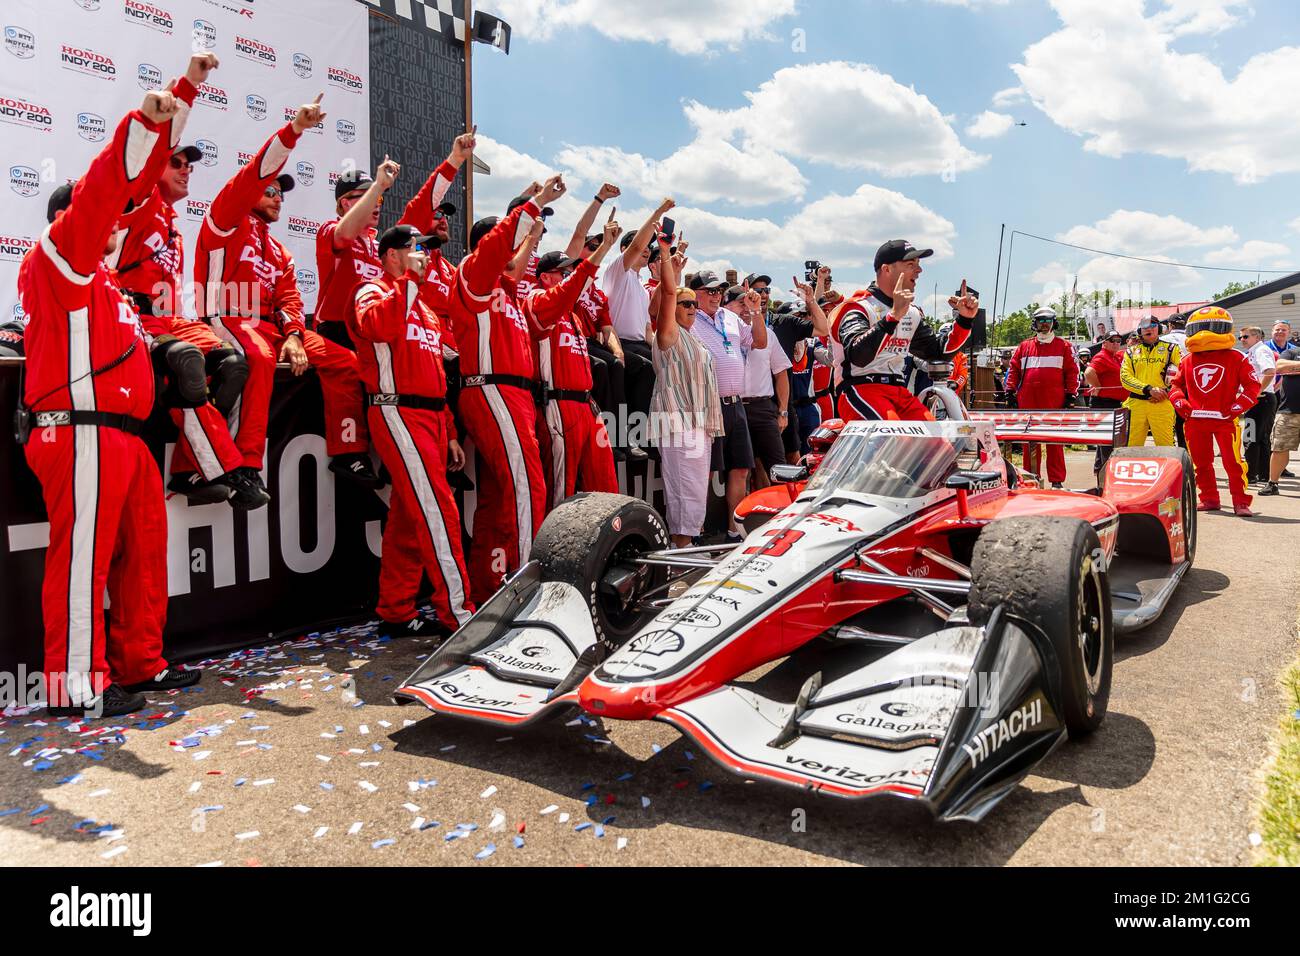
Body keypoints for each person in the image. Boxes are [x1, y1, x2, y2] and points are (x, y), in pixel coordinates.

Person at [18, 54, 218, 718]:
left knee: (144, 556)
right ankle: (75, 684)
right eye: (97, 214)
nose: (112, 220)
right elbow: (111, 189)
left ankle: (142, 664)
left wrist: (184, 97)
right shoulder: (59, 259)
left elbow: (128, 195)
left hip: (124, 438)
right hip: (81, 433)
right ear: (68, 218)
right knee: (83, 564)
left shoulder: (106, 281)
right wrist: (147, 117)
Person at [195, 94, 378, 494]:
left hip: (273, 328)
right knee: (258, 357)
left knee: (344, 361)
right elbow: (251, 179)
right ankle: (244, 465)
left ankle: (348, 450)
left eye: (283, 194)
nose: (279, 198)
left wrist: (295, 334)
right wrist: (293, 131)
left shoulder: (278, 250)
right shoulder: (225, 221)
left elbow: (291, 300)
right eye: (272, 191)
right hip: (226, 317)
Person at [111, 141, 267, 509]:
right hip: (131, 312)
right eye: (176, 163)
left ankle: (188, 471)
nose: (186, 170)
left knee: (233, 363)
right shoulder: (139, 202)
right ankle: (224, 469)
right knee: (187, 360)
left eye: (189, 165)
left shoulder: (174, 226)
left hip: (168, 315)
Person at [348, 224, 475, 639]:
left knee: (407, 518)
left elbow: (439, 372)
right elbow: (377, 328)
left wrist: (451, 430)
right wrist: (409, 282)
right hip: (395, 409)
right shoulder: (372, 289)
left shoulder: (421, 306)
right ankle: (459, 614)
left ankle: (397, 609)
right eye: (414, 248)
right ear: (390, 256)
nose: (423, 254)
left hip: (433, 417)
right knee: (439, 509)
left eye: (425, 248)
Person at [453, 175, 568, 601]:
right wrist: (533, 205)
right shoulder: (475, 272)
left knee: (501, 495)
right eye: (512, 242)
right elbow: (505, 246)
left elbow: (518, 262)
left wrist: (535, 221)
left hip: (512, 394)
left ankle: (490, 585)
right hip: (492, 390)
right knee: (528, 487)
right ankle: (526, 587)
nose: (519, 251)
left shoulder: (509, 291)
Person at [526, 220, 623, 508]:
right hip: (557, 403)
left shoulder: (575, 315)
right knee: (561, 487)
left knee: (605, 483)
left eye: (571, 271)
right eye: (563, 272)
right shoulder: (537, 302)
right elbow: (576, 283)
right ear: (544, 277)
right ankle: (553, 551)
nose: (569, 276)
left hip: (586, 404)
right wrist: (604, 247)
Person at [832, 240, 976, 421]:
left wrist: (964, 319)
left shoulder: (912, 312)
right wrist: (892, 317)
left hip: (900, 391)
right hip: (861, 389)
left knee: (938, 445)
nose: (919, 270)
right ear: (886, 269)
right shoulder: (857, 307)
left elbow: (938, 353)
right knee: (896, 437)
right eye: (910, 265)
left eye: (918, 265)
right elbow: (858, 356)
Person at [648, 252, 724, 547]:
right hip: (678, 420)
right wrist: (667, 261)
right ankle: (681, 548)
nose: (692, 307)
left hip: (700, 423)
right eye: (686, 303)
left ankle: (686, 543)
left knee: (694, 488)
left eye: (695, 303)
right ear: (672, 309)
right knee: (683, 486)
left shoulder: (696, 338)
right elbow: (667, 293)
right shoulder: (668, 334)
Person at [689, 268, 768, 540]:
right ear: (696, 294)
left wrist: (755, 311)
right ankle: (697, 532)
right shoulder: (688, 319)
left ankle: (735, 533)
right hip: (707, 404)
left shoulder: (731, 317)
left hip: (736, 404)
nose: (716, 295)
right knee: (705, 470)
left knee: (741, 468)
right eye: (710, 290)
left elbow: (759, 341)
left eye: (719, 290)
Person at [1169, 306, 1259, 516]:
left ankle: (1240, 501)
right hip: (1195, 421)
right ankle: (1209, 498)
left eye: (1211, 327)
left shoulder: (1237, 357)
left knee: (1233, 463)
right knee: (1201, 463)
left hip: (1225, 421)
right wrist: (1181, 403)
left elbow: (1253, 387)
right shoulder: (1186, 360)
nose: (1204, 333)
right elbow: (1175, 386)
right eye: (1199, 328)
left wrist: (1237, 408)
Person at [1004, 307, 1079, 488]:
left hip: (1054, 400)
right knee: (1029, 441)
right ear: (1034, 323)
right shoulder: (1024, 346)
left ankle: (1057, 480)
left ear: (1054, 323)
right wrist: (1010, 391)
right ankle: (1031, 478)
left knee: (1054, 440)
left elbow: (1073, 372)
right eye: (1040, 321)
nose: (1044, 325)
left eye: (1048, 321)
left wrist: (1071, 395)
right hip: (1028, 400)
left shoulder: (1065, 346)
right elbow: (1013, 369)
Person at [731, 284, 791, 489]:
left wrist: (783, 411)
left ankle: (782, 516)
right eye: (741, 304)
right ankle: (743, 518)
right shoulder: (721, 335)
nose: (746, 308)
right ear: (727, 307)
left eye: (750, 303)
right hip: (734, 407)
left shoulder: (768, 335)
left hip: (763, 408)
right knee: (741, 470)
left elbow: (781, 373)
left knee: (777, 467)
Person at [1120, 316, 1180, 447]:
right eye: (1145, 326)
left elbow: (1182, 376)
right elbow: (1125, 377)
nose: (1149, 329)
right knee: (1131, 447)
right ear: (1139, 331)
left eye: (1153, 325)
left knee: (1166, 447)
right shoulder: (1130, 352)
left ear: (1159, 329)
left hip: (1162, 403)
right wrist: (1149, 390)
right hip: (1135, 405)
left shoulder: (1172, 349)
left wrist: (1165, 392)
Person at [1084, 331, 1128, 480]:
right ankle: (1106, 476)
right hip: (1104, 402)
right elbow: (1088, 372)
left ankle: (1101, 472)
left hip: (1112, 402)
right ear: (1105, 343)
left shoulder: (1115, 356)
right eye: (1112, 340)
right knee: (1107, 442)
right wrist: (1098, 386)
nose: (1116, 343)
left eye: (1118, 340)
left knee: (1105, 442)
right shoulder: (1102, 356)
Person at [1258, 342, 1300, 496]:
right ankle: (1272, 483)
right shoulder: (1291, 352)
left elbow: (1287, 368)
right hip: (1288, 410)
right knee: (1279, 448)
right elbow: (1280, 366)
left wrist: (1294, 368)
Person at [1238, 326, 1277, 484]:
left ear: (1257, 337)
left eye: (1245, 337)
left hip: (1262, 398)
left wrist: (1256, 392)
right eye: (1240, 337)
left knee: (1251, 437)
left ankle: (1252, 474)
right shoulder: (1253, 352)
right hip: (1263, 398)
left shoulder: (1260, 350)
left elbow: (1269, 371)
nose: (1242, 340)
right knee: (1258, 438)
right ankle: (1261, 474)